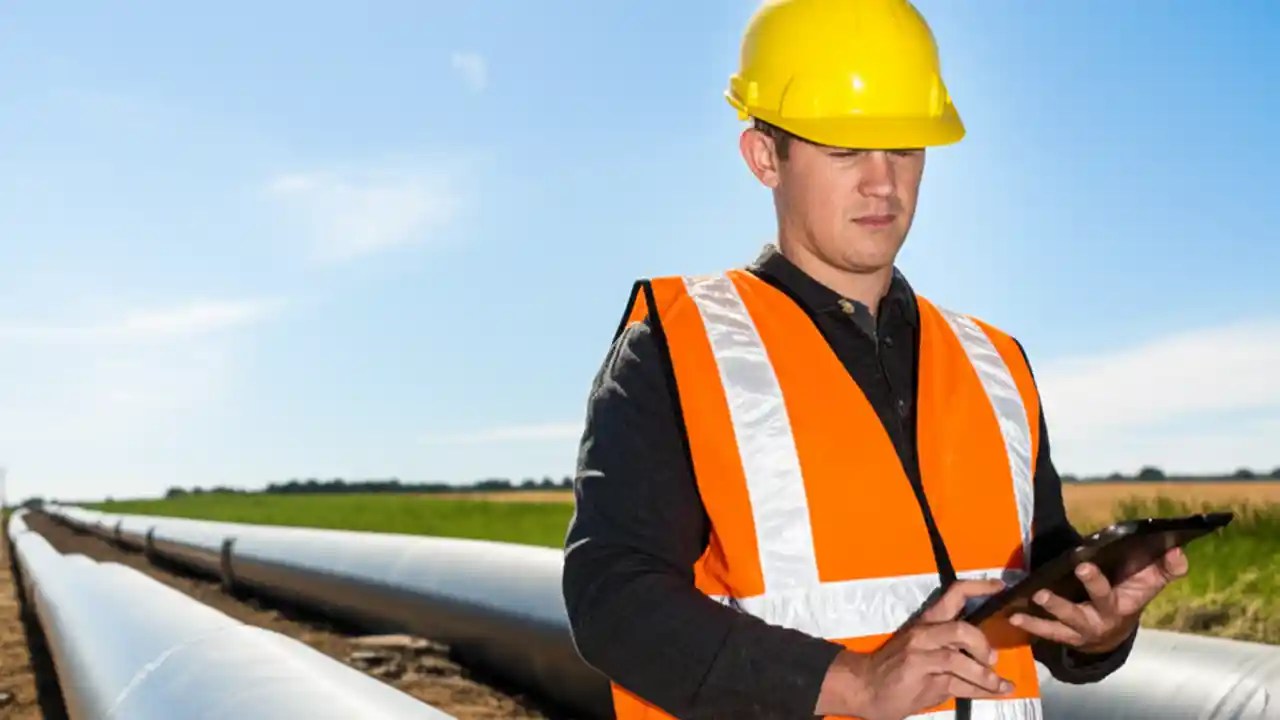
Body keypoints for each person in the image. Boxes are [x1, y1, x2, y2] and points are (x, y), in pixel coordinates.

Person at [561, 1, 1189, 718]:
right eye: (845, 150)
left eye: (904, 148)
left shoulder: (996, 365)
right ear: (766, 156)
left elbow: (1036, 602)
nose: (883, 183)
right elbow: (612, 598)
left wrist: (1097, 631)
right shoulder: (680, 347)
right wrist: (850, 682)